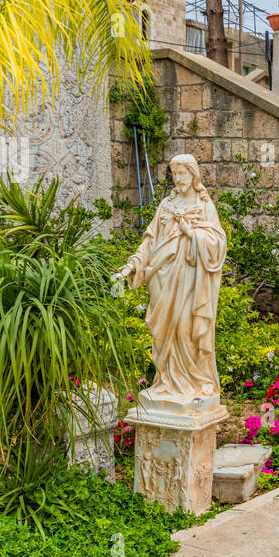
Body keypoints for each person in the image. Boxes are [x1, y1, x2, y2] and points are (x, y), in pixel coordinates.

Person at [116, 154, 227, 407]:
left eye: (182, 173)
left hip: (190, 280)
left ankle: (194, 382)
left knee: (186, 328)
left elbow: (218, 243)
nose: (178, 179)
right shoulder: (166, 204)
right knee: (163, 332)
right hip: (161, 277)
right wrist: (131, 265)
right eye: (174, 174)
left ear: (193, 174)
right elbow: (150, 240)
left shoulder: (204, 205)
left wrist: (192, 234)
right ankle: (166, 380)